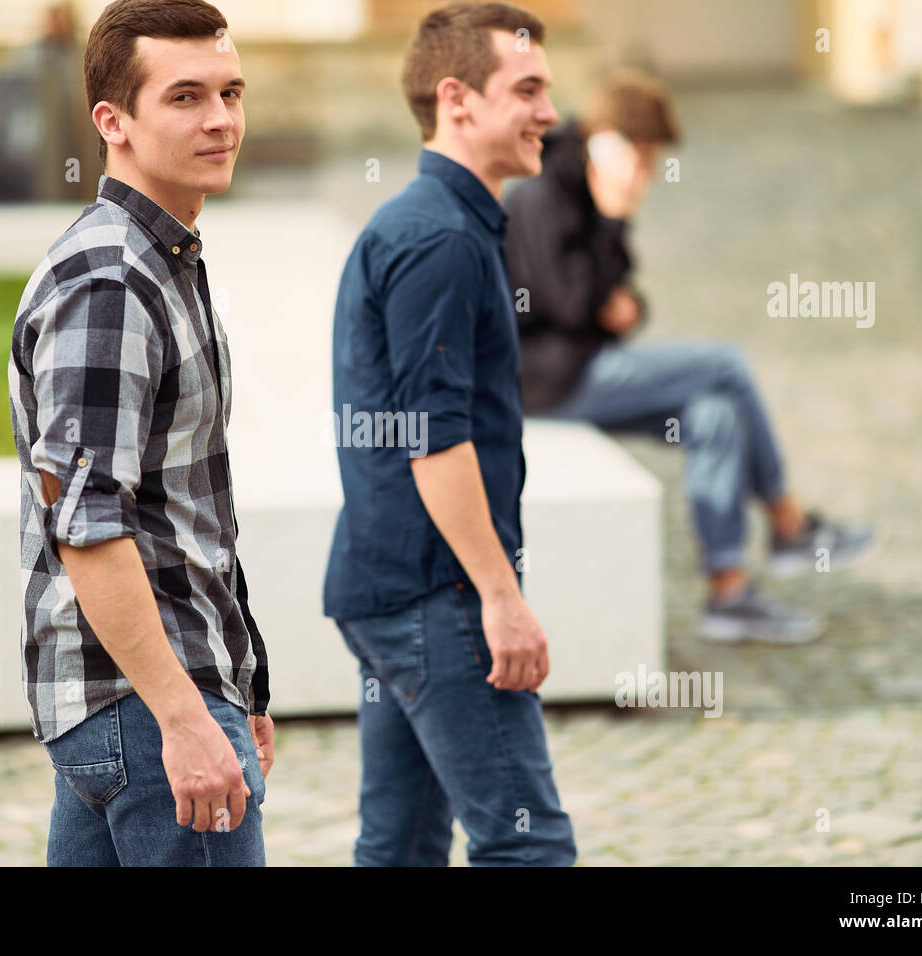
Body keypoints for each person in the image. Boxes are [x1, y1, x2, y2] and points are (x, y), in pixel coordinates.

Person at [8, 0, 271, 866]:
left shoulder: (163, 258)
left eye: (231, 92)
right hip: (147, 710)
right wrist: (187, 716)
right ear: (112, 122)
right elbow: (88, 527)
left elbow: (187, 505)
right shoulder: (113, 280)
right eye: (187, 97)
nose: (222, 119)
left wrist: (245, 680)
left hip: (140, 703)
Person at [324, 2, 576, 866]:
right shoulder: (439, 239)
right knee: (529, 846)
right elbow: (435, 441)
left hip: (393, 590)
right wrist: (500, 600)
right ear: (457, 99)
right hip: (437, 596)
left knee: (398, 851)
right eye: (530, 89)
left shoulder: (437, 224)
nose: (551, 111)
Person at [503, 68, 875, 644]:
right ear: (608, 141)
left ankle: (728, 592)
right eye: (645, 158)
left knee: (714, 415)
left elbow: (623, 301)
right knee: (724, 364)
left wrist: (617, 267)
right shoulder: (542, 194)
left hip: (587, 369)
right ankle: (788, 523)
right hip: (546, 381)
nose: (648, 174)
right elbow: (580, 304)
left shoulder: (587, 189)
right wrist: (613, 217)